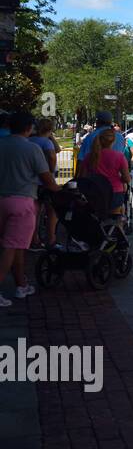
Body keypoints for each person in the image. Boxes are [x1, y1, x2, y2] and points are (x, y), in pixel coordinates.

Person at [0, 112, 60, 305]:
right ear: (28, 128)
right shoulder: (31, 148)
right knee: (10, 248)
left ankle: (20, 284)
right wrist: (59, 189)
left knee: (17, 245)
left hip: (1, 199)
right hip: (22, 200)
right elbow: (47, 178)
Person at [85, 128, 131, 215]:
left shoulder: (90, 156)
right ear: (113, 142)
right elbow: (127, 178)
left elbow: (83, 175)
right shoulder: (119, 157)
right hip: (115, 191)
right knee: (115, 218)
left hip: (95, 192)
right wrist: (121, 179)